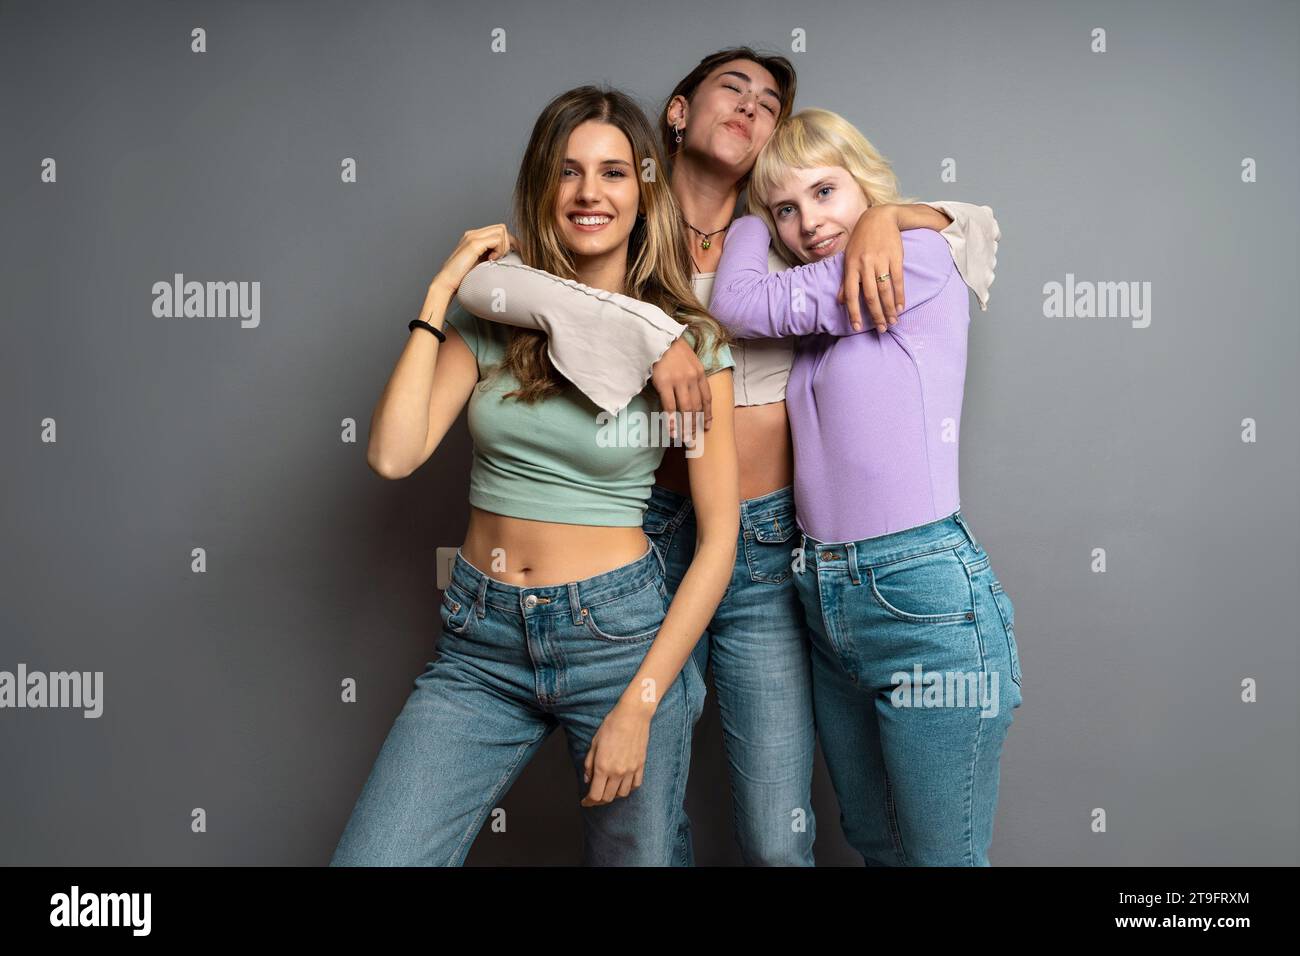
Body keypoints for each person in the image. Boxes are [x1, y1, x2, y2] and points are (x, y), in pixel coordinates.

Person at [453, 48, 998, 865]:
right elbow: (498, 283)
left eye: (769, 102)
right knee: (643, 822)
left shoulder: (795, 229)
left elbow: (975, 230)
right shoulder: (615, 219)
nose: (750, 107)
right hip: (643, 541)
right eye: (730, 89)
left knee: (777, 835)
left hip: (775, 543)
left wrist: (899, 214)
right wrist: (652, 333)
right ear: (677, 112)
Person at [329, 85, 739, 867]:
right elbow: (392, 454)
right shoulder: (492, 320)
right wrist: (440, 292)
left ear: (643, 191)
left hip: (617, 641)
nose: (590, 193)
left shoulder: (687, 347)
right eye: (569, 171)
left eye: (614, 173)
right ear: (541, 186)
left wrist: (644, 704)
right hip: (481, 640)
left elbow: (719, 541)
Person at [707, 106, 1022, 865]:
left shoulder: (913, 259)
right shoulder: (828, 303)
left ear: (866, 182)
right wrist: (776, 207)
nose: (806, 223)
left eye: (825, 192)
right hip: (822, 594)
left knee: (942, 856)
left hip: (920, 597)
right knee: (876, 844)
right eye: (784, 209)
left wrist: (891, 214)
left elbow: (735, 301)